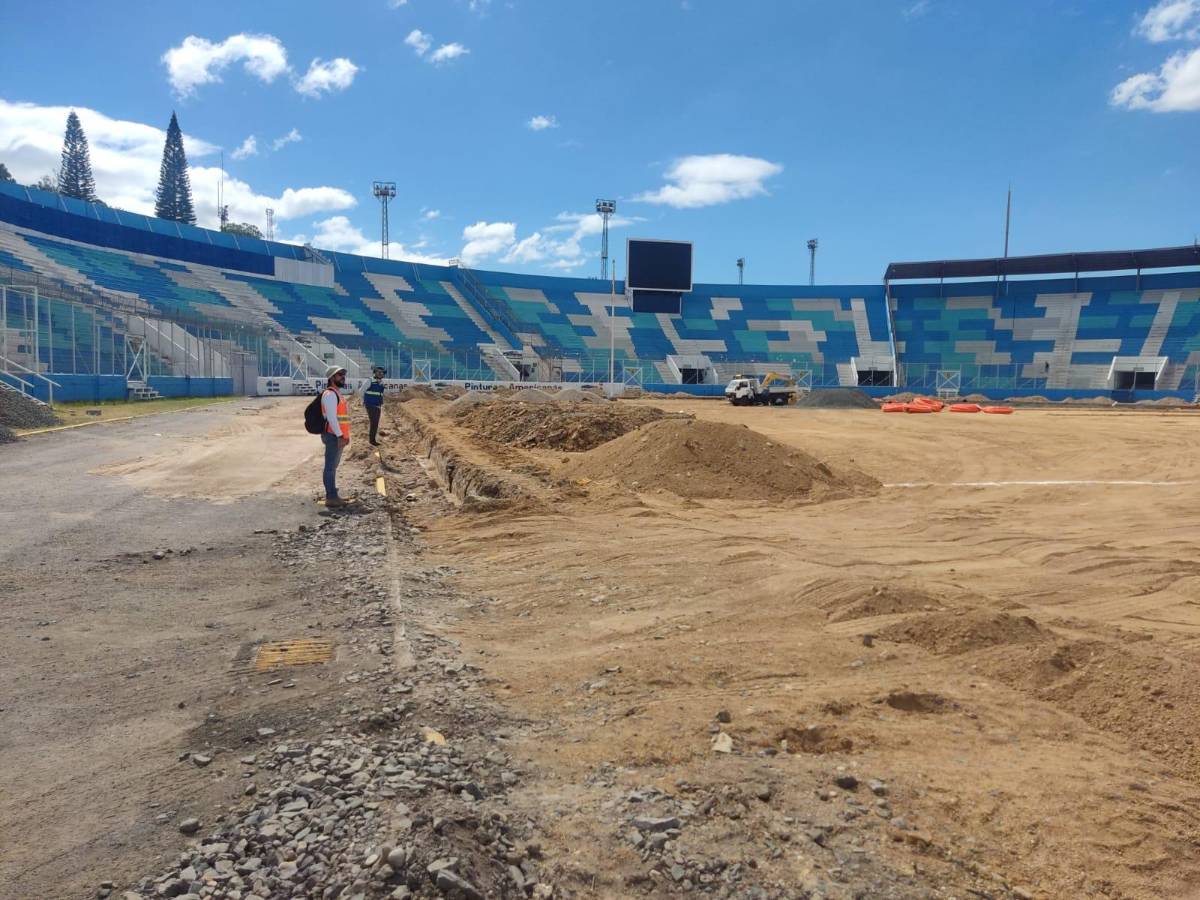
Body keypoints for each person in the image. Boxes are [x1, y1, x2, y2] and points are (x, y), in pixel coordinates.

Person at [320, 366, 351, 506]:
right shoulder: (330, 394)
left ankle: (332, 491)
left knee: (333, 466)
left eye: (343, 374)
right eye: (339, 374)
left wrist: (345, 435)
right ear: (331, 378)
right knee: (330, 466)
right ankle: (331, 497)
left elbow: (342, 418)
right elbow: (332, 418)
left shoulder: (337, 394)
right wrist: (340, 436)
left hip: (338, 435)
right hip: (333, 436)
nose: (343, 377)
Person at [363, 366, 386, 445]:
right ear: (375, 373)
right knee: (374, 422)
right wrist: (364, 401)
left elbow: (380, 394)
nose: (380, 373)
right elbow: (361, 391)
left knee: (375, 423)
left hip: (377, 405)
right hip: (370, 405)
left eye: (382, 372)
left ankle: (372, 439)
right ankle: (372, 440)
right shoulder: (370, 380)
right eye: (378, 372)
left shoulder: (381, 383)